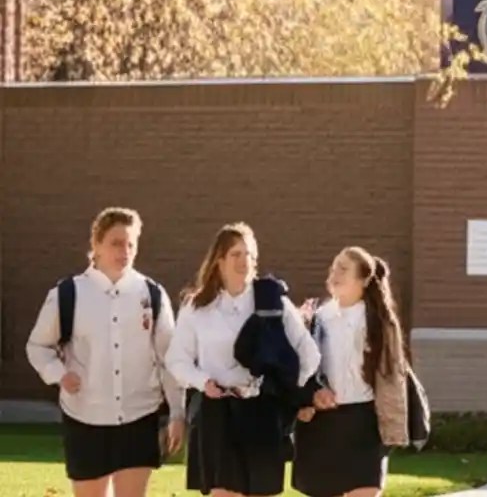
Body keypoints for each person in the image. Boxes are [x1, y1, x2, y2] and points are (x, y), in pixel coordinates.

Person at [25, 207, 185, 497]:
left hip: (140, 416)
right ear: (96, 245)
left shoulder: (152, 294)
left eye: (131, 244)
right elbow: (37, 346)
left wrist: (177, 412)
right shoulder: (67, 294)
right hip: (85, 417)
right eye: (116, 242)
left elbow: (169, 358)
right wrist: (59, 374)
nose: (125, 251)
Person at [165, 222, 320, 497]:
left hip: (263, 414)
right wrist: (203, 382)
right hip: (217, 414)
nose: (243, 261)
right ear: (219, 260)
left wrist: (289, 393)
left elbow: (309, 354)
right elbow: (177, 361)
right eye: (235, 254)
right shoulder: (197, 306)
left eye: (249, 254)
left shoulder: (273, 303)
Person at [291, 247, 416, 497]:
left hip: (363, 422)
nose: (334, 273)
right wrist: (310, 396)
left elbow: (392, 377)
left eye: (343, 269)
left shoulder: (379, 322)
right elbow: (301, 371)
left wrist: (392, 427)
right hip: (323, 424)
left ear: (363, 279)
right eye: (334, 267)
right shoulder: (317, 319)